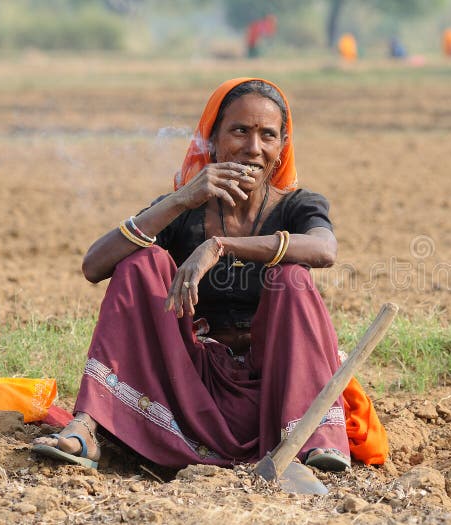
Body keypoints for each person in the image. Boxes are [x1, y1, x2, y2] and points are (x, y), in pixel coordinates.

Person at [32, 78, 387, 472]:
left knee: (292, 279)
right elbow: (93, 266)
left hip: (272, 387)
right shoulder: (186, 207)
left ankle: (313, 439)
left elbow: (324, 250)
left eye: (267, 135)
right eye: (240, 131)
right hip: (191, 388)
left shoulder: (297, 206)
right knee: (140, 262)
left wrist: (219, 246)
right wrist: (181, 198)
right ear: (212, 140)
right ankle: (87, 426)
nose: (254, 149)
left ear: (282, 146)